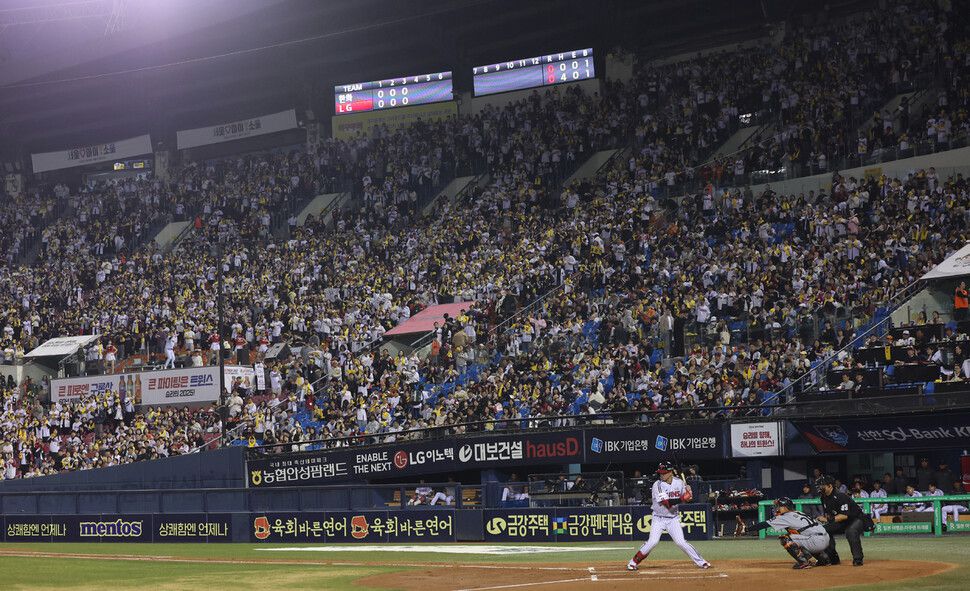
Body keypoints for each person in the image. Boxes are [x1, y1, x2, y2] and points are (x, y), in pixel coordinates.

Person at [627, 462, 711, 571]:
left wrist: (689, 493)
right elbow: (667, 503)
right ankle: (633, 562)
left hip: (673, 518)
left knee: (681, 542)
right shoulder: (657, 485)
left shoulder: (679, 482)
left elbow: (686, 498)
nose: (662, 475)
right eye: (660, 473)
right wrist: (683, 498)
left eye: (664, 473)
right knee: (652, 542)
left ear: (670, 472)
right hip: (658, 518)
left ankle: (701, 562)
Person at [739, 497, 831, 569]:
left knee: (785, 539)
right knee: (801, 537)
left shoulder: (785, 517)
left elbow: (764, 524)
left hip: (816, 541)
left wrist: (746, 529)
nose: (777, 508)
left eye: (779, 506)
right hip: (826, 538)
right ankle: (824, 559)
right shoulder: (798, 512)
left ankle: (804, 562)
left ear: (785, 508)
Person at [816, 475, 870, 566]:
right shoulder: (823, 497)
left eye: (822, 485)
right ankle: (833, 558)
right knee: (824, 530)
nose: (820, 487)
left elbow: (844, 515)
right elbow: (830, 514)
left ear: (830, 486)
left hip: (856, 518)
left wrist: (827, 519)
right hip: (842, 521)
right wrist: (825, 520)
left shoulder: (840, 496)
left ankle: (858, 559)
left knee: (851, 531)